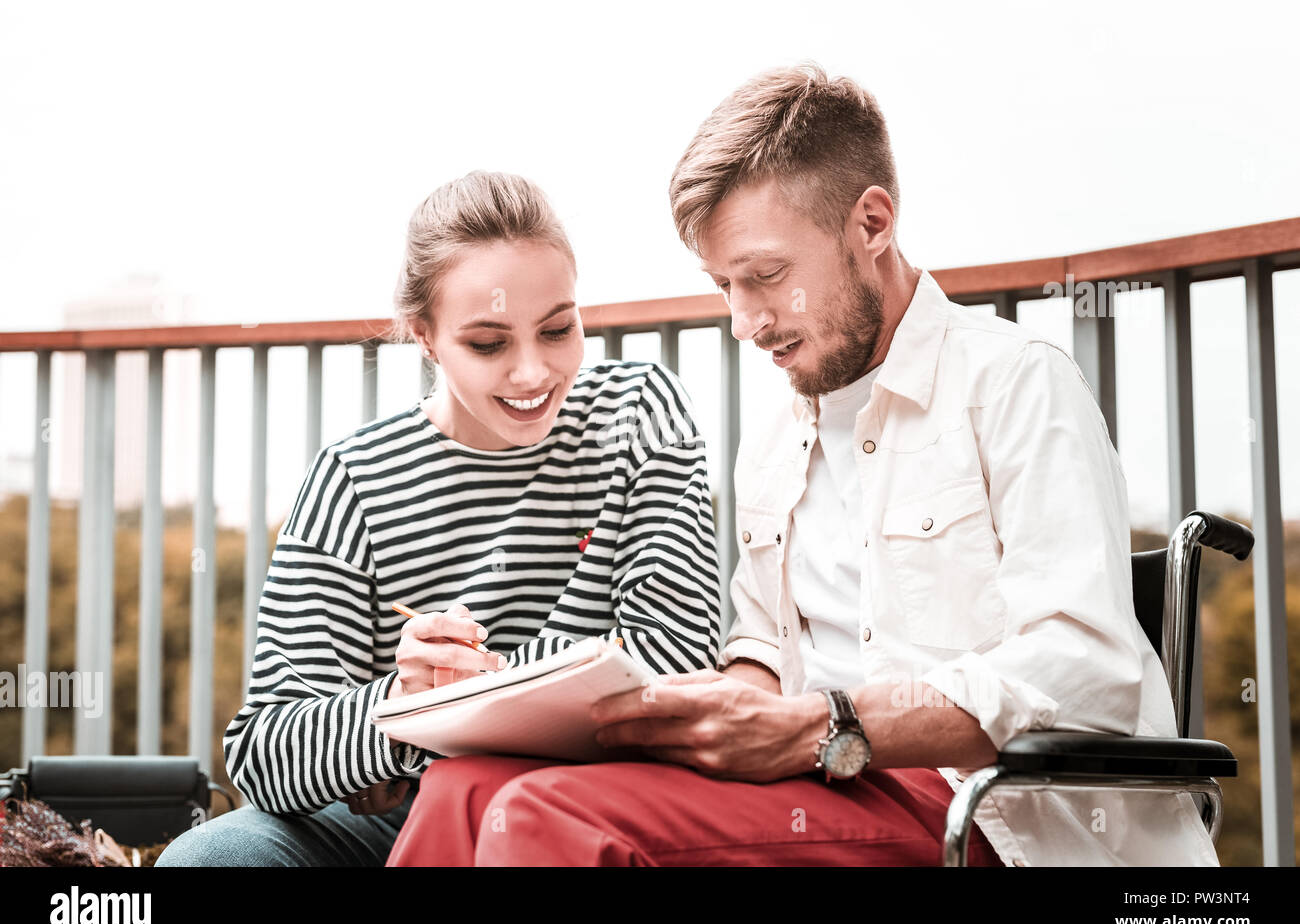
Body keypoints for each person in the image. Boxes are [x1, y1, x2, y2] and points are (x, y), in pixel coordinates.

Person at [385, 64, 1221, 867]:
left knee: (542, 816)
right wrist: (712, 707)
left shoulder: (1015, 384)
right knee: (467, 784)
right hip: (815, 789)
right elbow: (760, 649)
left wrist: (828, 722)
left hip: (991, 815)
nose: (745, 323)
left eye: (766, 278)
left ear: (872, 223)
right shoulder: (777, 437)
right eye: (724, 287)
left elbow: (1086, 667)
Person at [156, 171, 722, 866]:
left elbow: (676, 659)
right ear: (425, 337)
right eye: (488, 343)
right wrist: (396, 704)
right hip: (407, 823)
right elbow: (267, 753)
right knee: (215, 860)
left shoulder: (640, 414)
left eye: (557, 329)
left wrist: (458, 702)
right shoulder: (353, 479)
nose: (532, 373)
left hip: (597, 800)